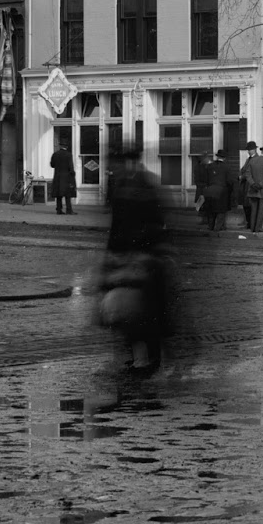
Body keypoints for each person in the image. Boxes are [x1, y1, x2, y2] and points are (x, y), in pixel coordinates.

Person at [102, 149, 171, 371]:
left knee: (141, 312)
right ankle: (141, 356)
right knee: (129, 312)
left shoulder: (142, 186)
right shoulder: (127, 185)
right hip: (128, 257)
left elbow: (154, 221)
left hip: (140, 258)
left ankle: (149, 359)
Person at [242, 142, 263, 233]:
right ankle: (258, 228)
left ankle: (252, 227)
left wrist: (253, 184)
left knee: (254, 209)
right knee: (261, 210)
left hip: (253, 189)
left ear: (261, 151)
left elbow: (247, 174)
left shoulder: (252, 161)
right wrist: (260, 185)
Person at [199, 151, 231, 232]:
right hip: (221, 191)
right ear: (224, 158)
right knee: (221, 211)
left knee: (211, 211)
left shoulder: (210, 166)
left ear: (217, 157)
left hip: (210, 190)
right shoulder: (227, 167)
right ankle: (217, 228)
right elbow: (229, 181)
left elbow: (205, 179)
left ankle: (211, 227)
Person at [49, 139, 77, 216]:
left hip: (57, 176)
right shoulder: (68, 155)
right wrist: (73, 174)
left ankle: (59, 210)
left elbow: (52, 165)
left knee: (59, 194)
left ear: (60, 146)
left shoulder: (55, 154)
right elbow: (71, 166)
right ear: (66, 146)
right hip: (67, 177)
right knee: (68, 194)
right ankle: (69, 210)